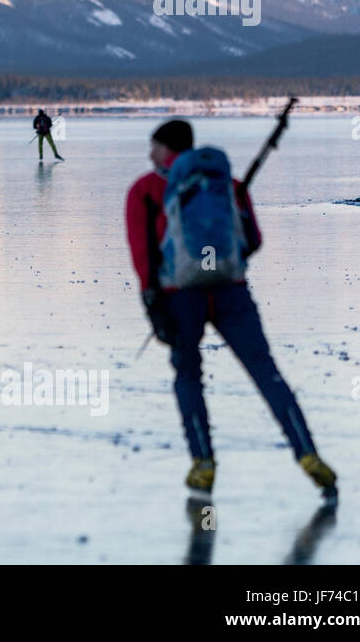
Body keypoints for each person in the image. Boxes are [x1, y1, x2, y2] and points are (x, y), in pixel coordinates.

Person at [124, 118, 337, 501]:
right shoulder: (228, 186)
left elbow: (143, 254)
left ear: (165, 149)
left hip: (180, 296)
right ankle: (308, 454)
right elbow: (252, 240)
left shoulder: (146, 189)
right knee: (266, 373)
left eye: (153, 145)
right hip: (230, 292)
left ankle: (203, 464)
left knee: (189, 376)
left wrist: (153, 302)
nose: (148, 152)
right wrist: (219, 265)